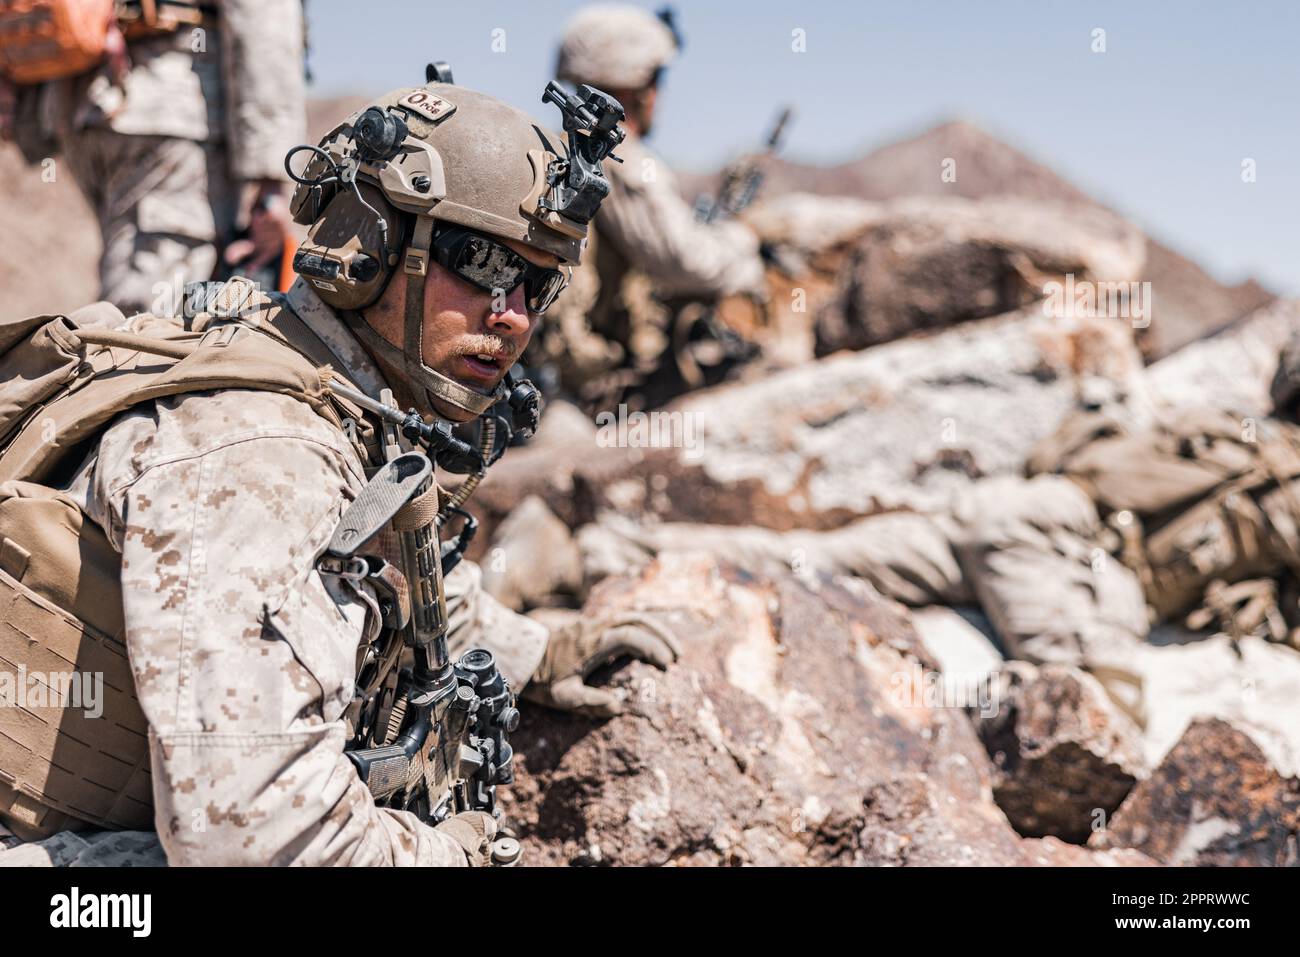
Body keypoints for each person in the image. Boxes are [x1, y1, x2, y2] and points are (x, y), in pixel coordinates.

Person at [0, 78, 678, 865]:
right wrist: (447, 855)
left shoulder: (329, 380)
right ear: (374, 242)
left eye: (539, 283)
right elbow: (254, 838)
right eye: (486, 263)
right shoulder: (263, 455)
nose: (515, 315)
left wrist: (533, 654)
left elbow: (366, 578)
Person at [0, 0, 305, 314]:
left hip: (85, 106)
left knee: (134, 285)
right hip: (166, 113)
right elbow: (264, 16)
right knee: (150, 318)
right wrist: (272, 178)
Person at [533, 3, 767, 407]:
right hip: (593, 384)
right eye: (657, 79)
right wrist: (744, 246)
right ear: (635, 84)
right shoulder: (615, 157)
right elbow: (686, 262)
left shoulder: (562, 146)